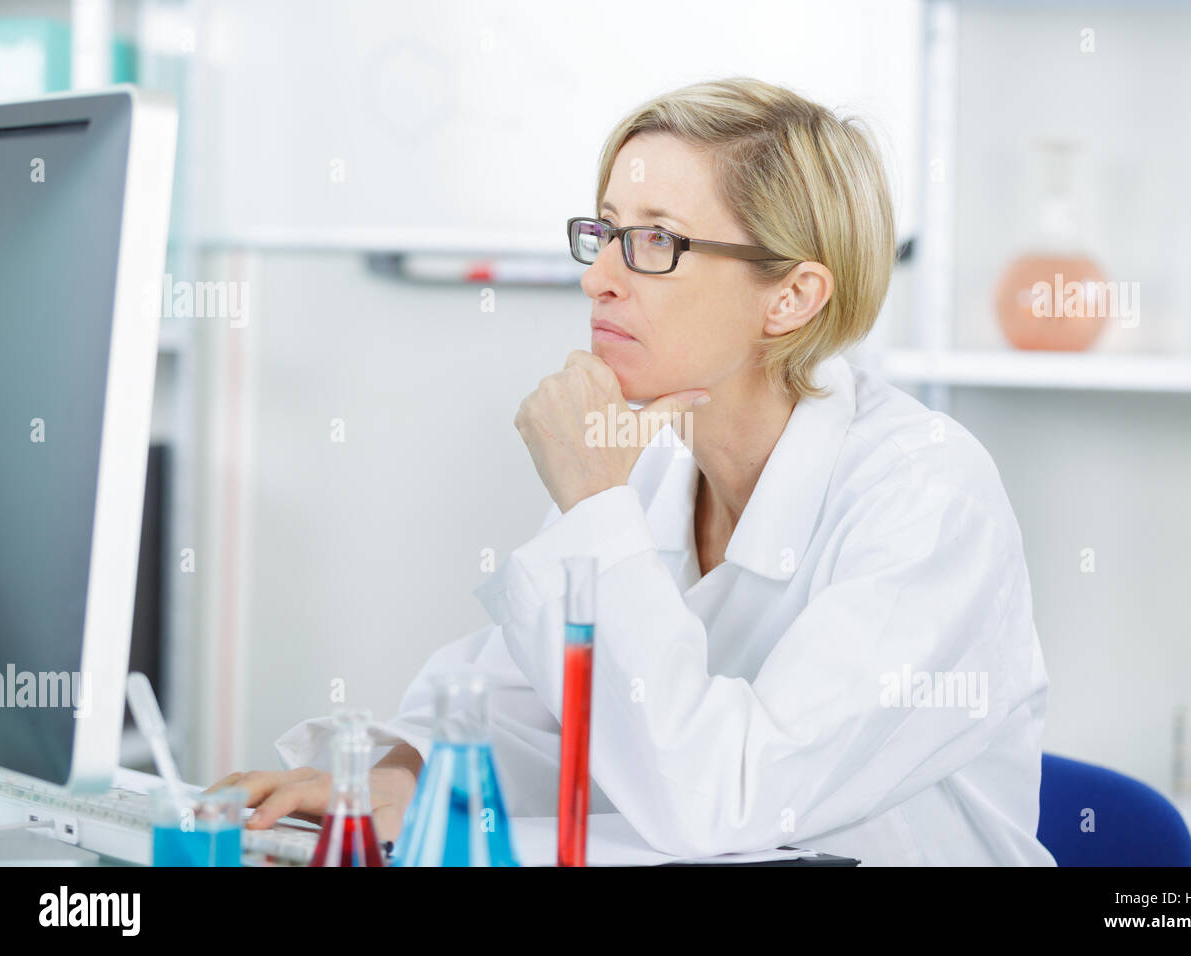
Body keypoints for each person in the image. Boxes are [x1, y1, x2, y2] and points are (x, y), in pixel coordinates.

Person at [210, 77, 1055, 865]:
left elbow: (725, 802)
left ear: (791, 297)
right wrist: (404, 774)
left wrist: (593, 503)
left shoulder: (928, 496)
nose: (597, 277)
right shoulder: (650, 455)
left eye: (655, 240)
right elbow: (536, 706)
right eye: (606, 231)